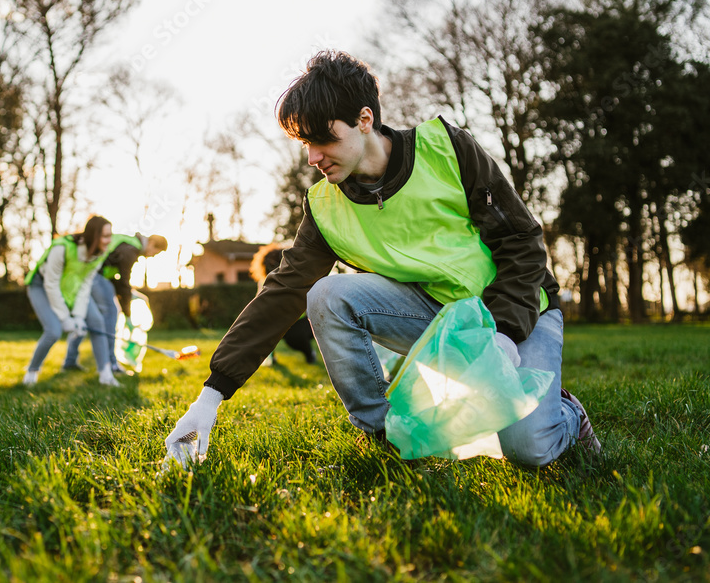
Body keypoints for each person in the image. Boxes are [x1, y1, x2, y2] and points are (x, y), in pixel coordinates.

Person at [165, 50, 600, 467]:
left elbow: (521, 242)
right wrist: (211, 396)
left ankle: (567, 414)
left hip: (518, 311)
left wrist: (504, 332)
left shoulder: (446, 148)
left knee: (531, 449)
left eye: (323, 139)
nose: (314, 157)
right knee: (326, 295)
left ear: (364, 119)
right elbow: (283, 292)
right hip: (435, 319)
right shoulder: (325, 206)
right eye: (305, 144)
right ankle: (385, 436)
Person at [23, 216, 120, 387]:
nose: (108, 241)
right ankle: (32, 371)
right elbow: (51, 284)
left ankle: (106, 374)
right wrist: (65, 318)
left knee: (96, 321)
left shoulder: (100, 254)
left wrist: (78, 316)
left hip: (72, 290)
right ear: (93, 236)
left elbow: (85, 285)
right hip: (41, 286)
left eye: (110, 236)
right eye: (105, 236)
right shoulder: (62, 247)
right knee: (53, 331)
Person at [63, 233, 169, 373]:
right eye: (156, 252)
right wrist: (127, 312)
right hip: (94, 276)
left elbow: (116, 278)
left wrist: (132, 296)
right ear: (151, 243)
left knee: (84, 317)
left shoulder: (129, 244)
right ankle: (111, 364)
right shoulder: (131, 250)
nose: (153, 256)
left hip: (89, 275)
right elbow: (124, 282)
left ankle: (70, 361)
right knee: (111, 313)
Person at [249, 243, 317, 365]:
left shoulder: (299, 278)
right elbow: (261, 304)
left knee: (295, 336)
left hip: (304, 320)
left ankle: (310, 354)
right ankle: (270, 358)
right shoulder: (265, 282)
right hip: (281, 321)